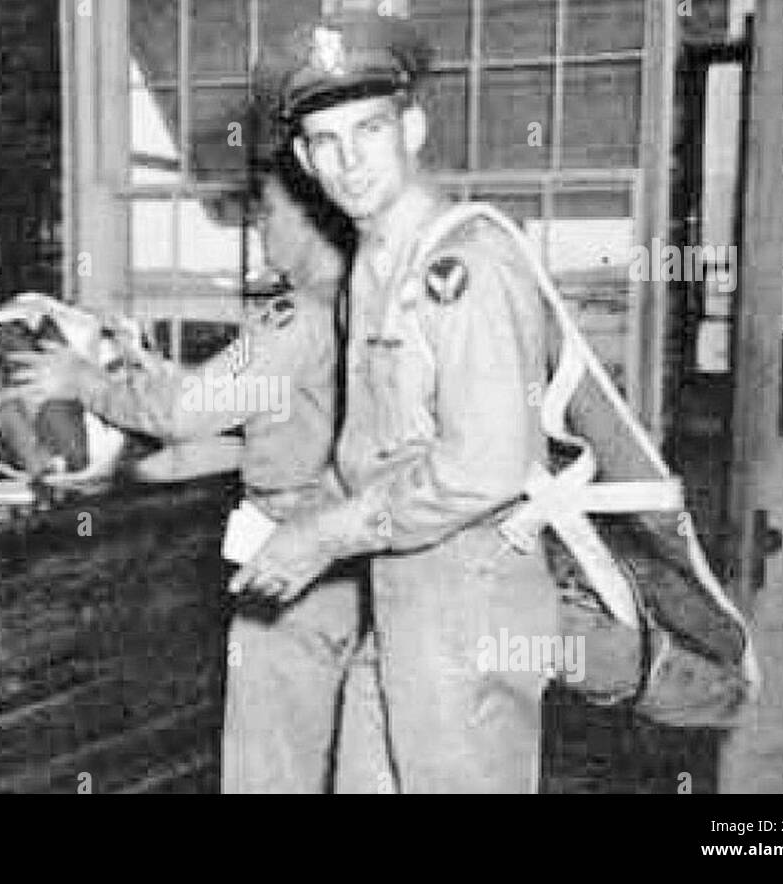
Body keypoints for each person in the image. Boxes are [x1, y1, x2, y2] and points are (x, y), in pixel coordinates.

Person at [230, 13, 560, 793]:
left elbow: (486, 466)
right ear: (306, 160)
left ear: (411, 126)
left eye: (369, 130)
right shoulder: (371, 267)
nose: (350, 161)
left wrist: (322, 538)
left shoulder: (465, 264)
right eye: (327, 141)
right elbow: (375, 453)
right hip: (400, 604)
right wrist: (295, 523)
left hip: (472, 611)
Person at [7, 156, 393, 794]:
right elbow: (273, 408)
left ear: (312, 215)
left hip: (295, 560)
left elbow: (186, 413)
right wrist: (149, 369)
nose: (261, 229)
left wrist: (85, 382)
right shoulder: (362, 302)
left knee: (269, 765)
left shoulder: (296, 315)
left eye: (268, 212)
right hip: (359, 558)